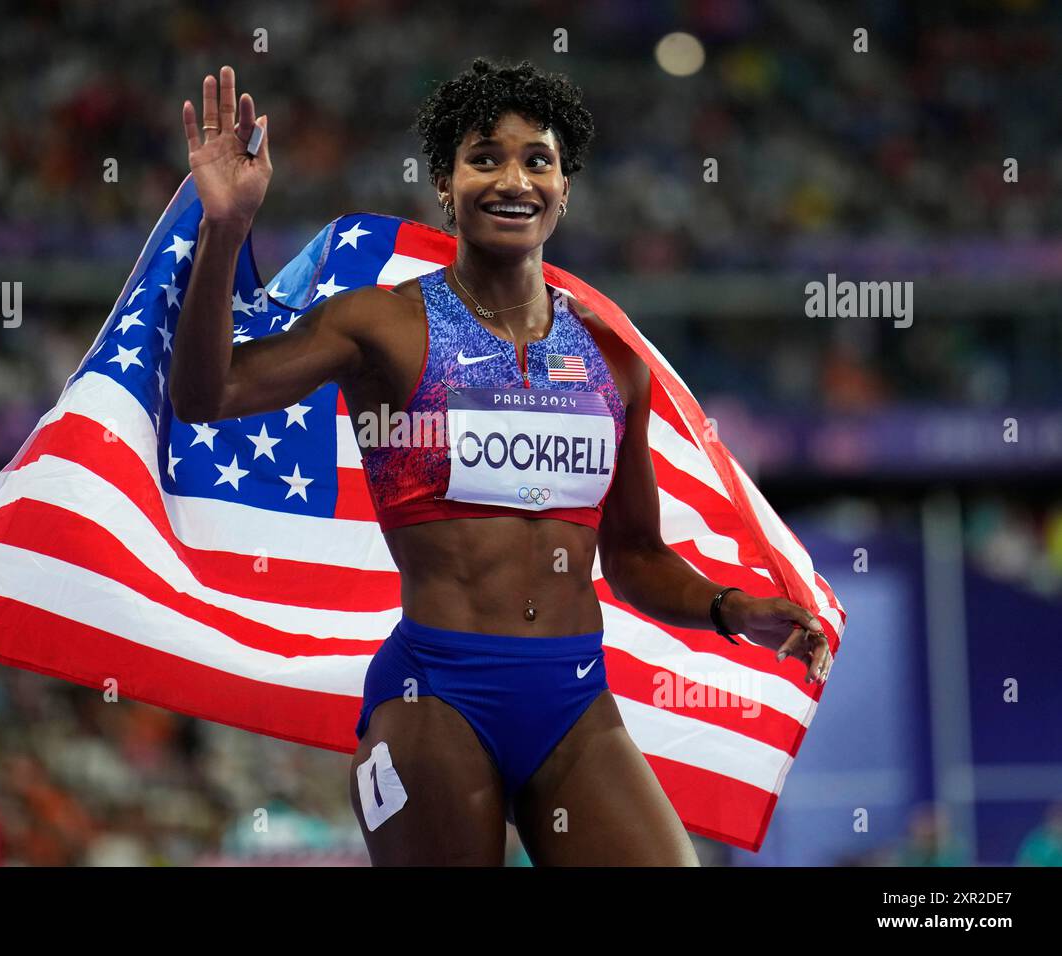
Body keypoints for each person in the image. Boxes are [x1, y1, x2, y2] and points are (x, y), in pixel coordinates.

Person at [170, 58, 833, 866]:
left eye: (537, 160)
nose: (512, 178)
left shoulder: (611, 360)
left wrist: (733, 609)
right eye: (485, 158)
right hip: (436, 696)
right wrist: (227, 230)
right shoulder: (383, 327)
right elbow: (212, 393)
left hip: (574, 701)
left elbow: (632, 557)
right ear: (446, 187)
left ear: (564, 188)